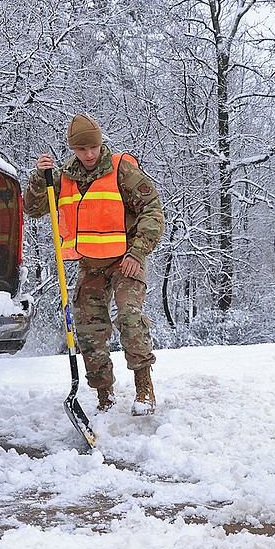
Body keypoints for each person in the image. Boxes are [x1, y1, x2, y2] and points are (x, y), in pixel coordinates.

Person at [24, 114, 166, 415]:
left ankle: (144, 388)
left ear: (101, 143)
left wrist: (137, 252)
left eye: (93, 147)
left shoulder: (121, 170)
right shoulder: (63, 178)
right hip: (90, 266)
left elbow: (152, 210)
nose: (89, 154)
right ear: (73, 149)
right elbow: (33, 208)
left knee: (129, 318)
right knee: (89, 330)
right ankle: (105, 395)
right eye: (82, 149)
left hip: (126, 260)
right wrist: (40, 178)